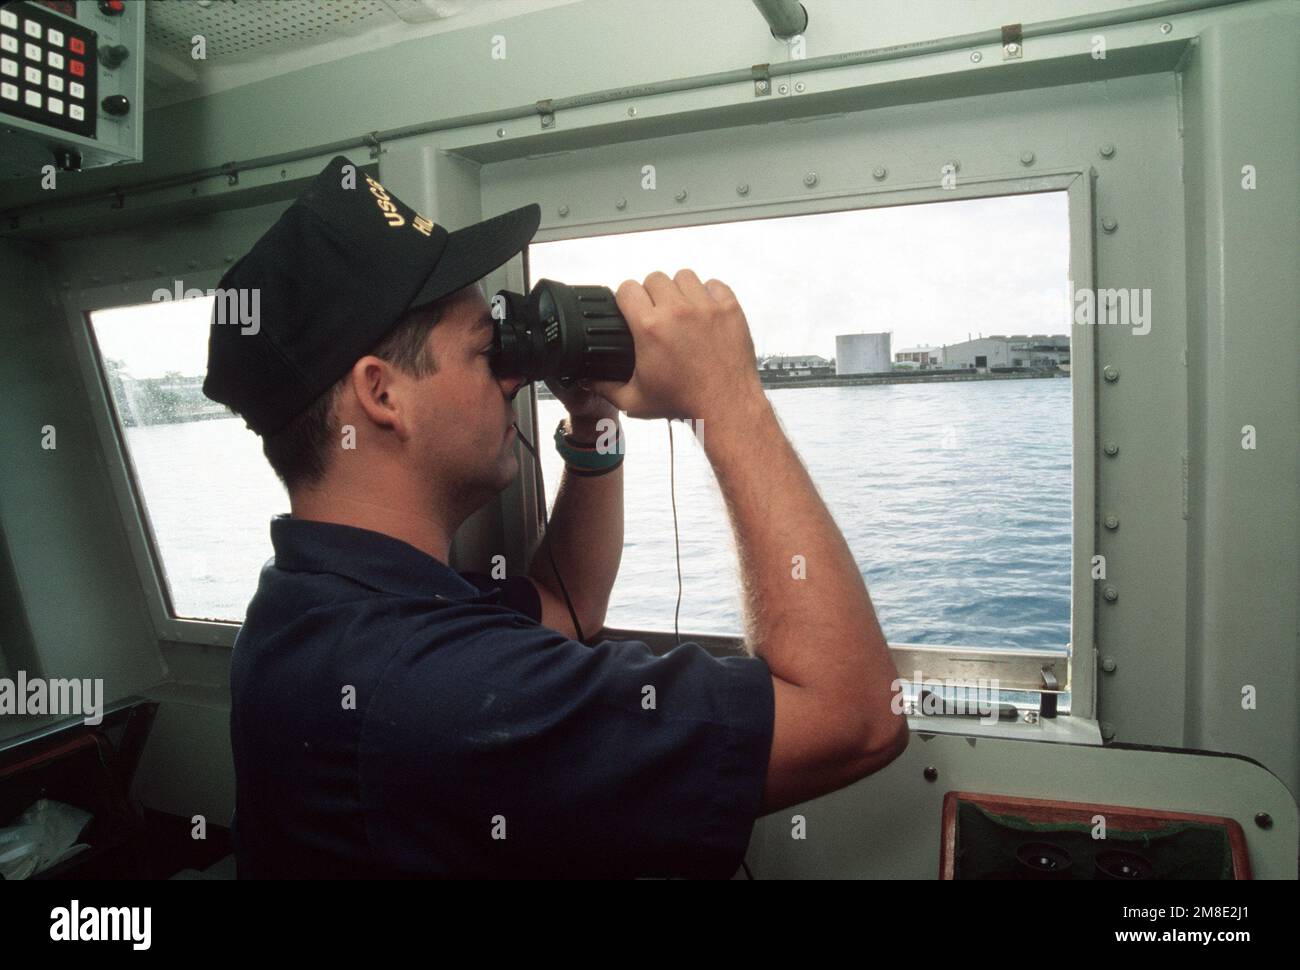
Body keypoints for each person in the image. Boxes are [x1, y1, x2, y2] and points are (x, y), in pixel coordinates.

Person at [205, 154, 907, 879]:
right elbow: (856, 719)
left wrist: (592, 425)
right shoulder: (435, 688)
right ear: (382, 395)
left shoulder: (316, 599)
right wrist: (727, 399)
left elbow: (565, 605)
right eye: (487, 351)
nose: (514, 374)